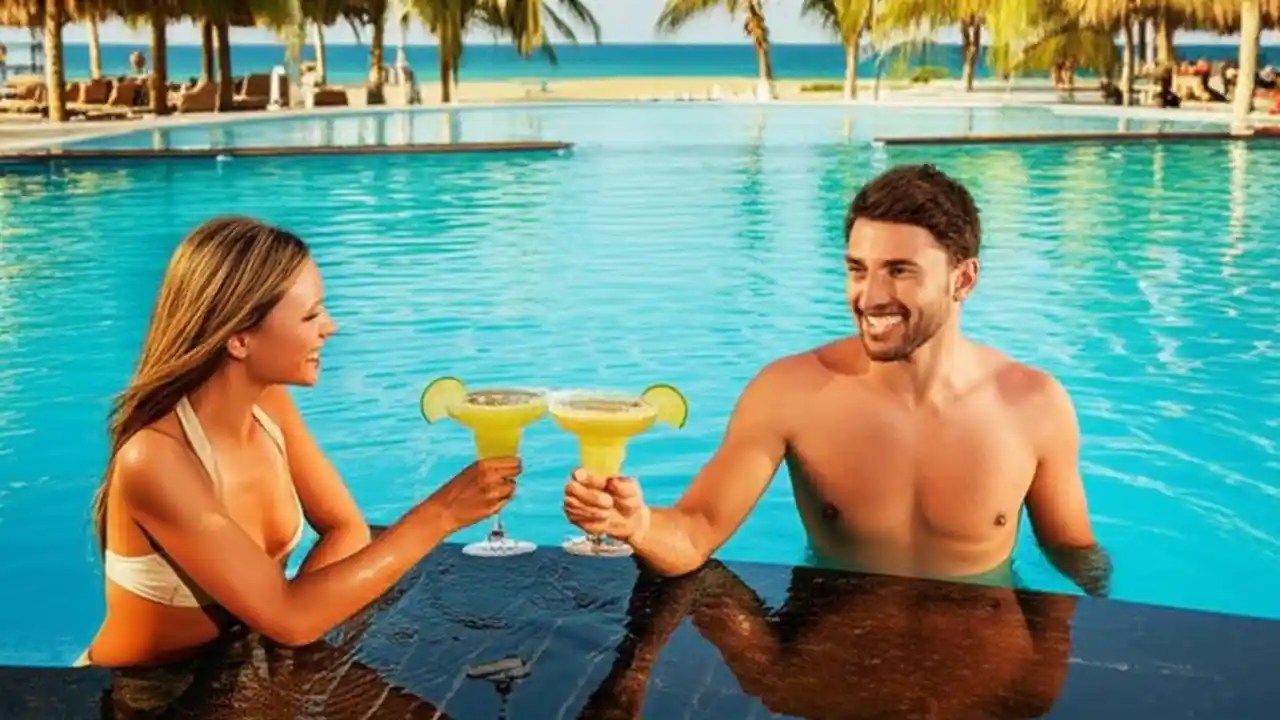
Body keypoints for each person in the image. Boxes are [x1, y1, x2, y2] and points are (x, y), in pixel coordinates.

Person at [563, 163, 1112, 596]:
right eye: (857, 269)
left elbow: (1075, 554)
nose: (870, 297)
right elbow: (695, 531)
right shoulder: (791, 392)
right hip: (835, 654)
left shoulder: (1034, 405)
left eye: (899, 271)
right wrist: (633, 523)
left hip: (981, 662)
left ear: (962, 279)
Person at [79, 216, 522, 668]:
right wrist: (444, 512)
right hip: (136, 698)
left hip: (236, 677)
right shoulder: (154, 459)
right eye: (311, 315)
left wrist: (292, 617)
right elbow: (291, 620)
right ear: (238, 339)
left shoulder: (269, 407)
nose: (330, 327)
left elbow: (346, 528)